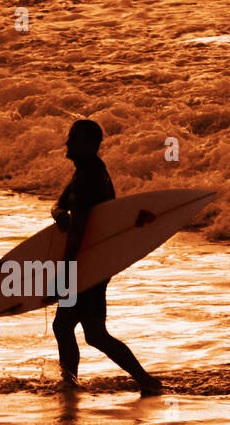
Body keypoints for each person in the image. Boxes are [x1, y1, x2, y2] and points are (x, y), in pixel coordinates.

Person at [50, 119, 163, 396]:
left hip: (89, 264)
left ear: (90, 145)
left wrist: (65, 271)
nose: (67, 143)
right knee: (74, 328)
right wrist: (57, 214)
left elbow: (80, 229)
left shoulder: (91, 178)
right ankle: (72, 384)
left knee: (86, 331)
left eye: (73, 138)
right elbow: (60, 206)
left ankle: (144, 381)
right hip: (90, 263)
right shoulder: (84, 172)